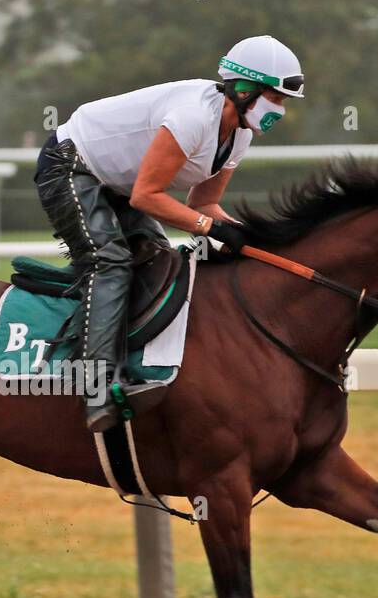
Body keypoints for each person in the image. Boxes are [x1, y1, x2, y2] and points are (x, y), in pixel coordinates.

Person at [33, 35, 305, 432]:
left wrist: (242, 234)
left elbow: (203, 206)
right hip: (70, 165)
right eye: (275, 98)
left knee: (159, 259)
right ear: (244, 90)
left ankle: (137, 362)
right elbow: (147, 196)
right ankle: (94, 386)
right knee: (109, 261)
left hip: (117, 184)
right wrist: (210, 228)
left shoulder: (239, 135)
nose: (279, 110)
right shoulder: (193, 117)